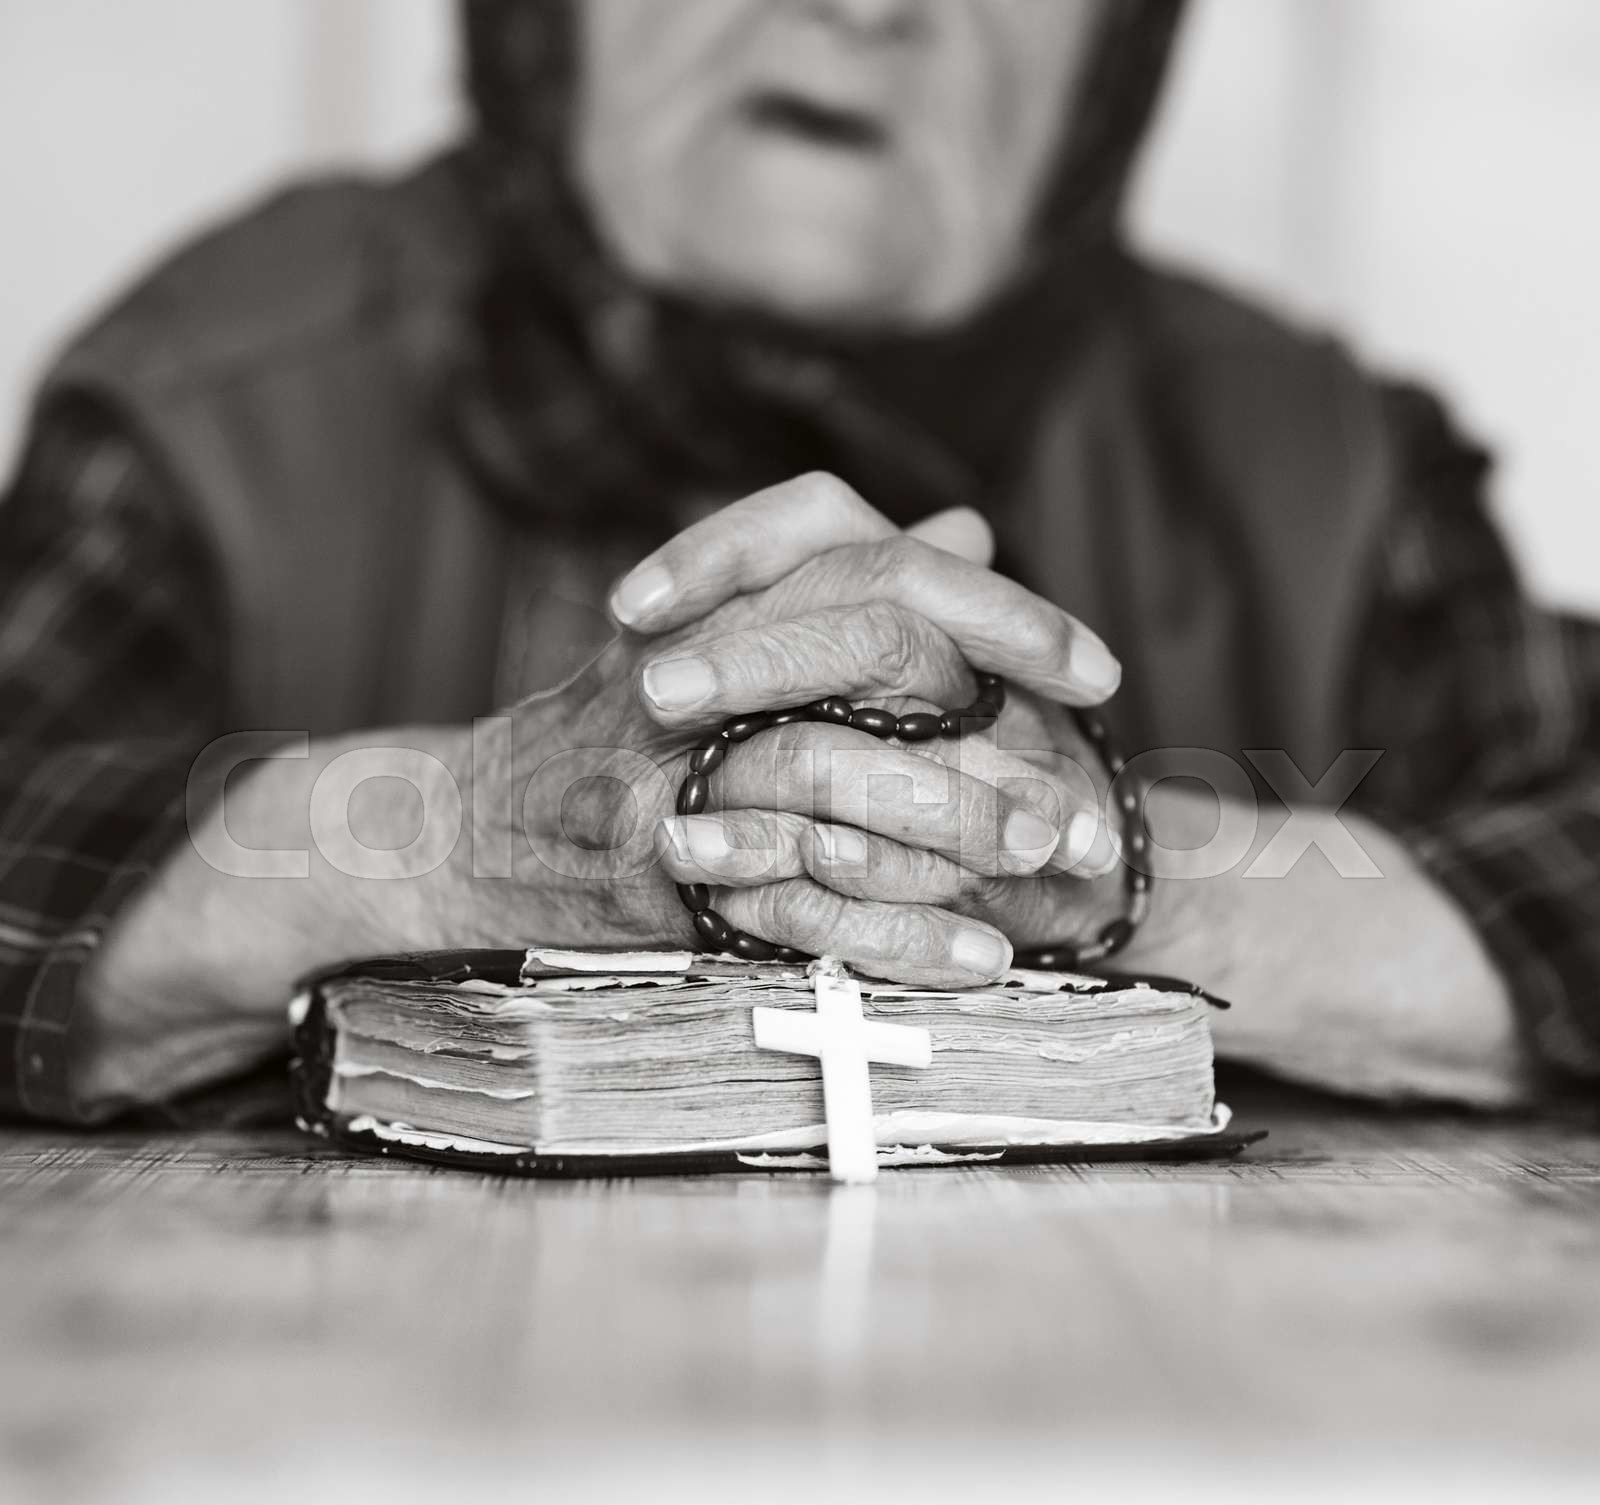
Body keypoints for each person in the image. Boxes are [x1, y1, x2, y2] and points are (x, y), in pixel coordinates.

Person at [2, 0, 1596, 1126]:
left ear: (1117, 62)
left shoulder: (1320, 460)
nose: (861, 7)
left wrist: (1087, 858)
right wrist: (458, 837)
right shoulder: (219, 390)